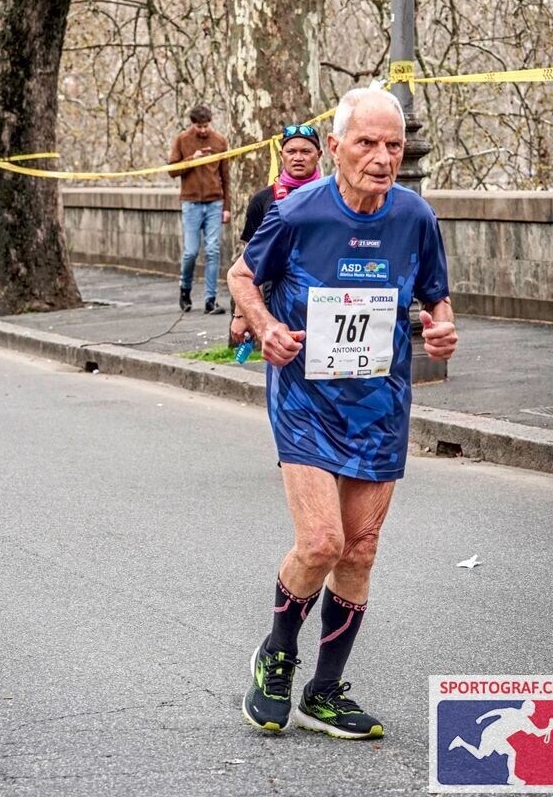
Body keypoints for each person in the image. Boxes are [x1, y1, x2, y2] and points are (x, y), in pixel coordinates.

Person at [227, 88, 458, 739]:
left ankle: (324, 692)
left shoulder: (415, 216)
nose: (383, 158)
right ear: (335, 147)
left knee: (359, 550)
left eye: (394, 146)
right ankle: (277, 656)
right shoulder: (296, 213)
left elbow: (435, 295)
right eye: (367, 143)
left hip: (380, 403)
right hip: (305, 397)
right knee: (322, 542)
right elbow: (243, 276)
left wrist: (442, 328)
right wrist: (266, 327)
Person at [230, 123, 323, 347]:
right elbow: (247, 264)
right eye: (291, 151)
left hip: (324, 295)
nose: (298, 157)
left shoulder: (334, 196)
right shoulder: (263, 201)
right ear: (282, 155)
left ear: (319, 155)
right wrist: (241, 313)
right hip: (278, 298)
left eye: (306, 151)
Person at [169, 103, 231, 314]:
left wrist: (227, 206)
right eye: (199, 126)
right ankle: (185, 289)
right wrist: (191, 160)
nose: (203, 130)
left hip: (215, 202)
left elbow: (225, 176)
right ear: (193, 124)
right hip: (191, 202)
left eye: (206, 126)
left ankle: (210, 299)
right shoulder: (182, 140)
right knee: (191, 252)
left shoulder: (220, 141)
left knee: (213, 250)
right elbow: (172, 170)